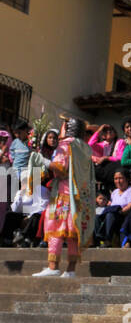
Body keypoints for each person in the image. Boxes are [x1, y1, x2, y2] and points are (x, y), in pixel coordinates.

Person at [32, 117, 96, 277]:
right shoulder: (86, 148)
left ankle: (53, 267)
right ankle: (71, 270)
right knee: (73, 234)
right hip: (80, 197)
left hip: (63, 193)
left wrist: (43, 161)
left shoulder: (66, 144)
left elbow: (60, 169)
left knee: (55, 228)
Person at [97, 169, 131, 246]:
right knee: (97, 217)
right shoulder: (115, 192)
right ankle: (98, 240)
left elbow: (130, 205)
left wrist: (120, 211)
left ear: (127, 179)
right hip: (112, 217)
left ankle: (108, 240)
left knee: (111, 215)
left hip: (123, 217)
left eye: (120, 178)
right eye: (116, 179)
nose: (118, 181)